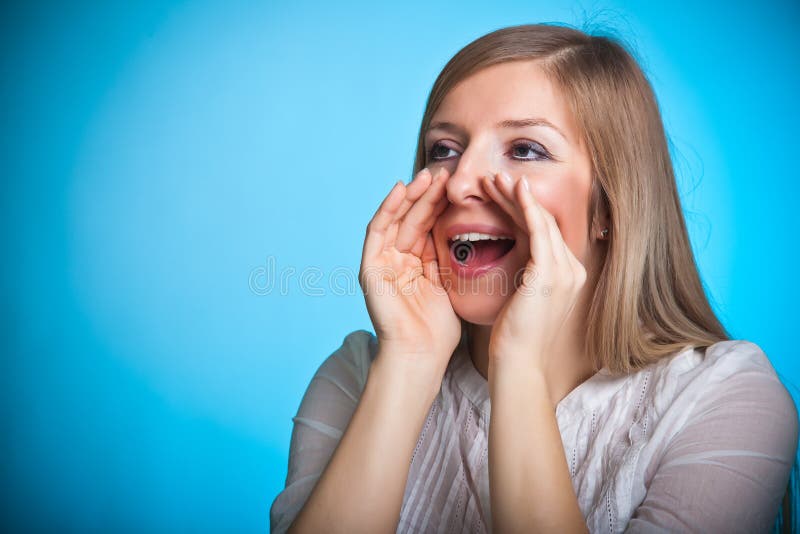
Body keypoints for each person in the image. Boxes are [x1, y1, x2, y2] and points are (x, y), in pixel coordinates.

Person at [269, 23, 799, 533]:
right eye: (444, 150)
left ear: (609, 207)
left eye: (525, 149)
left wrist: (518, 366)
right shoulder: (358, 375)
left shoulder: (725, 397)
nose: (458, 186)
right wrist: (408, 361)